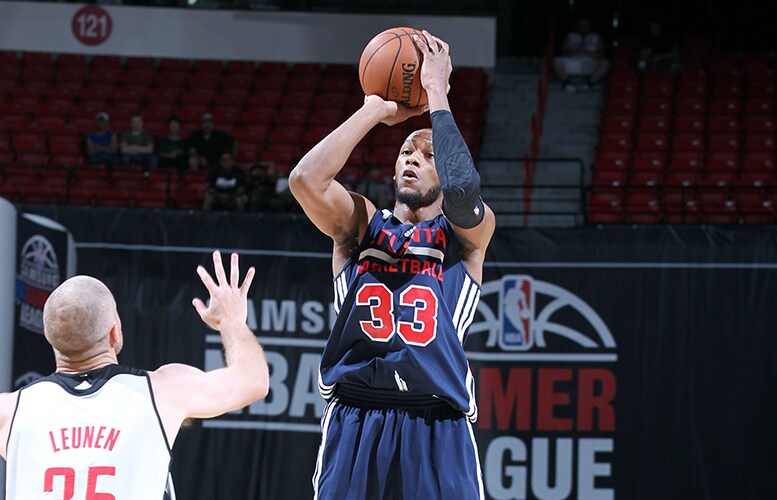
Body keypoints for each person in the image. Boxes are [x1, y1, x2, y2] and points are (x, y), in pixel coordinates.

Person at [289, 30, 495, 500]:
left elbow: (464, 193)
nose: (412, 160)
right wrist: (375, 110)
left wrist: (437, 91)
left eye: (427, 156)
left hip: (437, 418)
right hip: (355, 415)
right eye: (405, 152)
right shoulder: (361, 226)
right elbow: (305, 180)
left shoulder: (464, 238)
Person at [0, 251, 269, 498]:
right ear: (114, 332)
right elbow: (253, 381)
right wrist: (231, 321)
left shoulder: (11, 411)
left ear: (49, 337)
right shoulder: (161, 391)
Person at [553, 17, 611, 92]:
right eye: (582, 24)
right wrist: (577, 51)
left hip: (590, 63)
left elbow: (602, 54)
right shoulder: (570, 36)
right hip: (574, 62)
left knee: (606, 63)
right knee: (556, 60)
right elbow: (564, 52)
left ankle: (588, 84)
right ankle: (567, 84)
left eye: (586, 24)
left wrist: (588, 53)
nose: (584, 27)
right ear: (578, 25)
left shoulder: (596, 37)